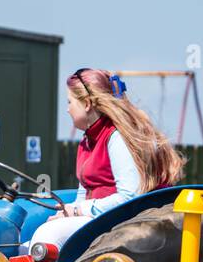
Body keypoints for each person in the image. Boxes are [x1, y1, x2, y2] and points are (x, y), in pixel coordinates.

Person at [28, 68, 183, 251]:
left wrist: (77, 211)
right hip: (99, 218)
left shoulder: (116, 137)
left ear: (86, 104)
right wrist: (68, 211)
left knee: (46, 237)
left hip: (121, 222)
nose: (67, 109)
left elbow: (129, 197)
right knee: (26, 245)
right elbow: (83, 194)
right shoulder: (88, 140)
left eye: (70, 102)